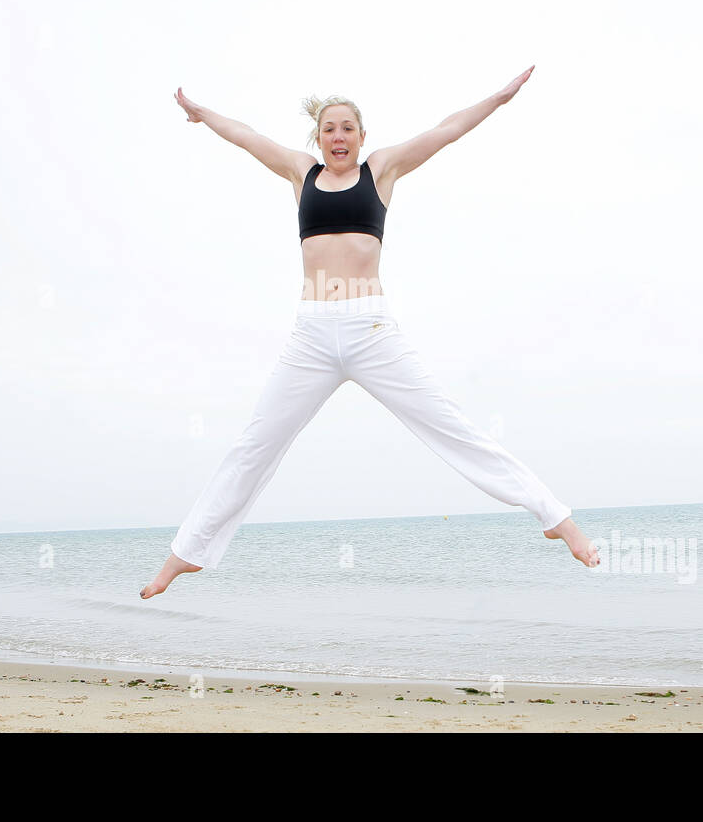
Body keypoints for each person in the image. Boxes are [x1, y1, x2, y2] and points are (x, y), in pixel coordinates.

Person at [141, 66, 599, 599]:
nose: (338, 138)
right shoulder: (300, 172)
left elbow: (446, 130)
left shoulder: (381, 170)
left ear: (362, 136)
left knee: (448, 423)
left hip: (371, 328)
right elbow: (248, 137)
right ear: (318, 137)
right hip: (311, 335)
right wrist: (203, 114)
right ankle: (185, 555)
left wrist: (497, 99)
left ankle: (555, 517)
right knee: (255, 444)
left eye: (347, 129)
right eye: (329, 129)